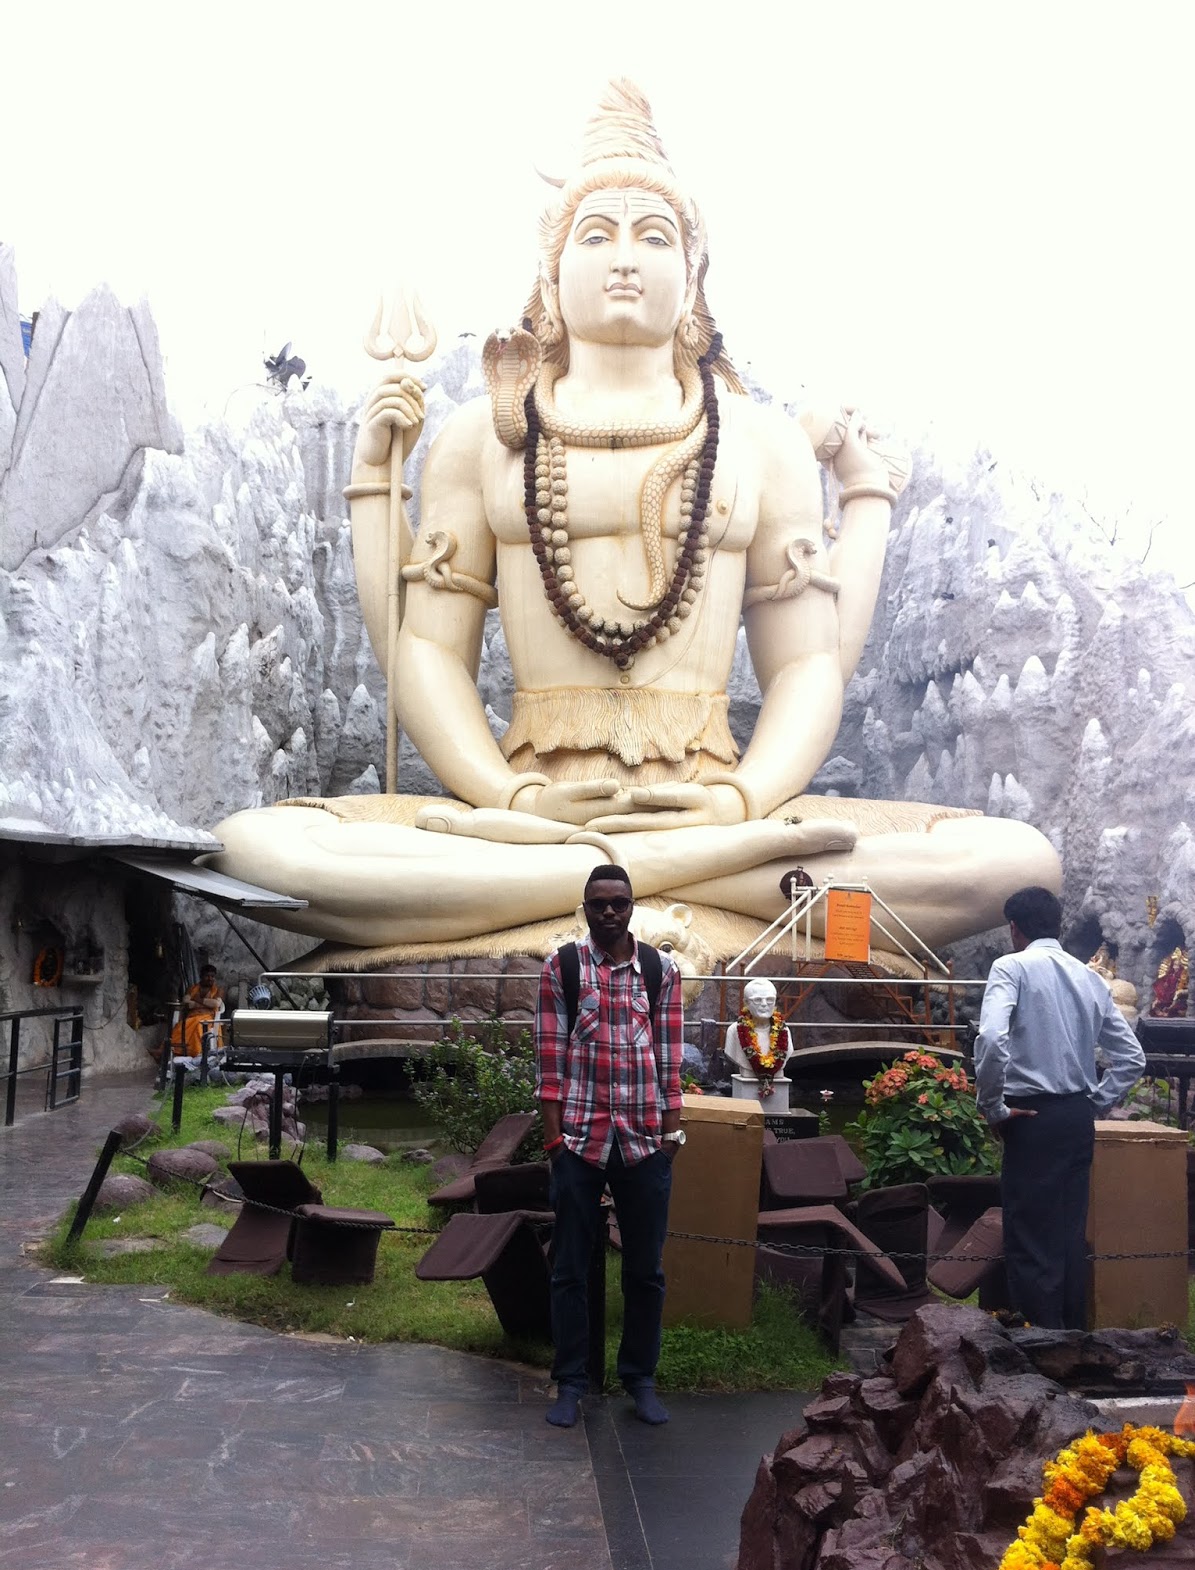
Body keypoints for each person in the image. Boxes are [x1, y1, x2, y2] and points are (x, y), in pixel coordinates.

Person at [213, 80, 1059, 954]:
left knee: (1011, 861)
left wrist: (739, 801)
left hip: (709, 802)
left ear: (691, 278)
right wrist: (508, 799)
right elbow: (424, 650)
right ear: (551, 273)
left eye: (653, 237)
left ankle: (582, 888)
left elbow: (808, 665)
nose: (624, 258)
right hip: (535, 808)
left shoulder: (759, 442)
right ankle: (654, 880)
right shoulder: (478, 437)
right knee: (258, 848)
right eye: (597, 234)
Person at [535, 864, 683, 1428]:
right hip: (579, 1140)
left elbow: (670, 1062)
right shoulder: (564, 969)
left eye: (619, 902)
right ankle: (571, 1382)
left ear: (632, 905)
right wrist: (554, 1144)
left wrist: (671, 1139)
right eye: (598, 904)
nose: (609, 912)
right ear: (585, 908)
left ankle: (640, 1378)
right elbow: (550, 1066)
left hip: (645, 1142)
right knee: (569, 1269)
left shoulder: (658, 970)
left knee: (645, 1271)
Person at [973, 886, 1145, 1329]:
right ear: (1057, 925)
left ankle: (1039, 1351)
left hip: (1029, 1115)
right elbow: (1131, 1058)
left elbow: (992, 1039)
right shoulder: (1089, 977)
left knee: (1030, 1235)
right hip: (1075, 1117)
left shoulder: (1011, 966)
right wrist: (1096, 1102)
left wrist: (992, 1106)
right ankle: (1071, 1339)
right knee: (1068, 1233)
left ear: (1015, 928)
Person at [170, 963, 225, 1059]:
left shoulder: (218, 990)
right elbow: (186, 1001)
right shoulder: (192, 989)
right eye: (207, 976)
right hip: (192, 1017)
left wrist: (197, 1001)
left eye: (212, 976)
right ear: (201, 976)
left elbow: (216, 1004)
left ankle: (195, 1054)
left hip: (208, 1019)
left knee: (199, 1026)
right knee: (180, 1027)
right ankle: (171, 1050)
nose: (210, 978)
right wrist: (204, 1003)